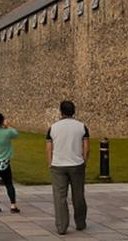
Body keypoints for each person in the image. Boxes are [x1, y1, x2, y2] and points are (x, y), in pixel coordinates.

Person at [46, 100, 89, 234]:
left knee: (60, 197)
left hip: (58, 166)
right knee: (78, 195)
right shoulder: (82, 127)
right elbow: (86, 147)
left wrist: (49, 162)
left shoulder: (53, 127)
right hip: (77, 164)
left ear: (61, 111)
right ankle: (80, 223)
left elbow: (49, 148)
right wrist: (84, 161)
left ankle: (62, 227)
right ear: (73, 111)